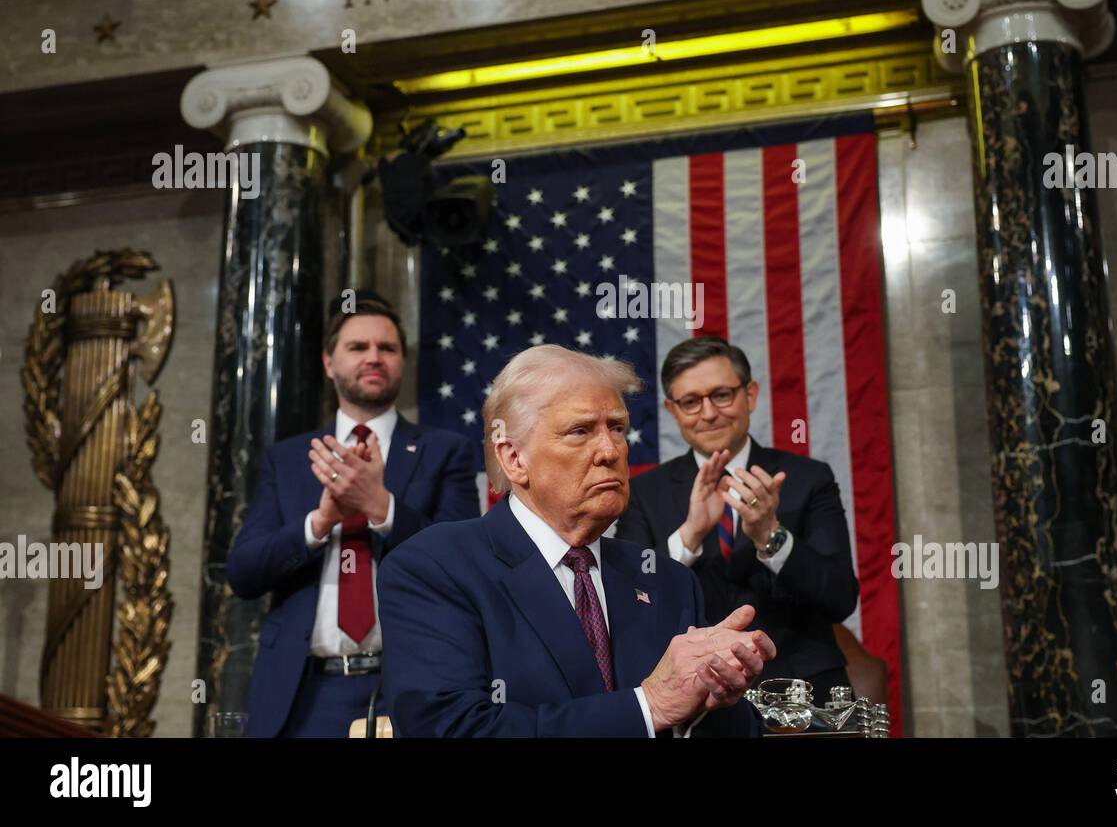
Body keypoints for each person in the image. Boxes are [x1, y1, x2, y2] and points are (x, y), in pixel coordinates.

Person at [379, 345, 774, 736]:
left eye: (617, 428)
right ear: (514, 458)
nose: (610, 451)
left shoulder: (666, 579)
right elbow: (453, 728)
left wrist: (716, 700)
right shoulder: (434, 567)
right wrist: (648, 706)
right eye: (580, 431)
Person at [227, 292, 479, 737]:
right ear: (329, 363)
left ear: (402, 361)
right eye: (358, 347)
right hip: (301, 694)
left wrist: (380, 507)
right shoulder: (286, 459)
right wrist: (319, 523)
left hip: (404, 688)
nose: (374, 357)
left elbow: (465, 566)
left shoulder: (446, 451)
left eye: (387, 348)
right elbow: (244, 573)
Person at [617, 335, 876, 701]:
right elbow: (628, 602)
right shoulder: (643, 492)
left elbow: (839, 599)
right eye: (691, 402)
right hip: (695, 697)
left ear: (749, 395)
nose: (708, 413)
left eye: (722, 395)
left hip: (801, 694)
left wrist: (771, 535)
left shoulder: (807, 479)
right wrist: (689, 536)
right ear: (672, 410)